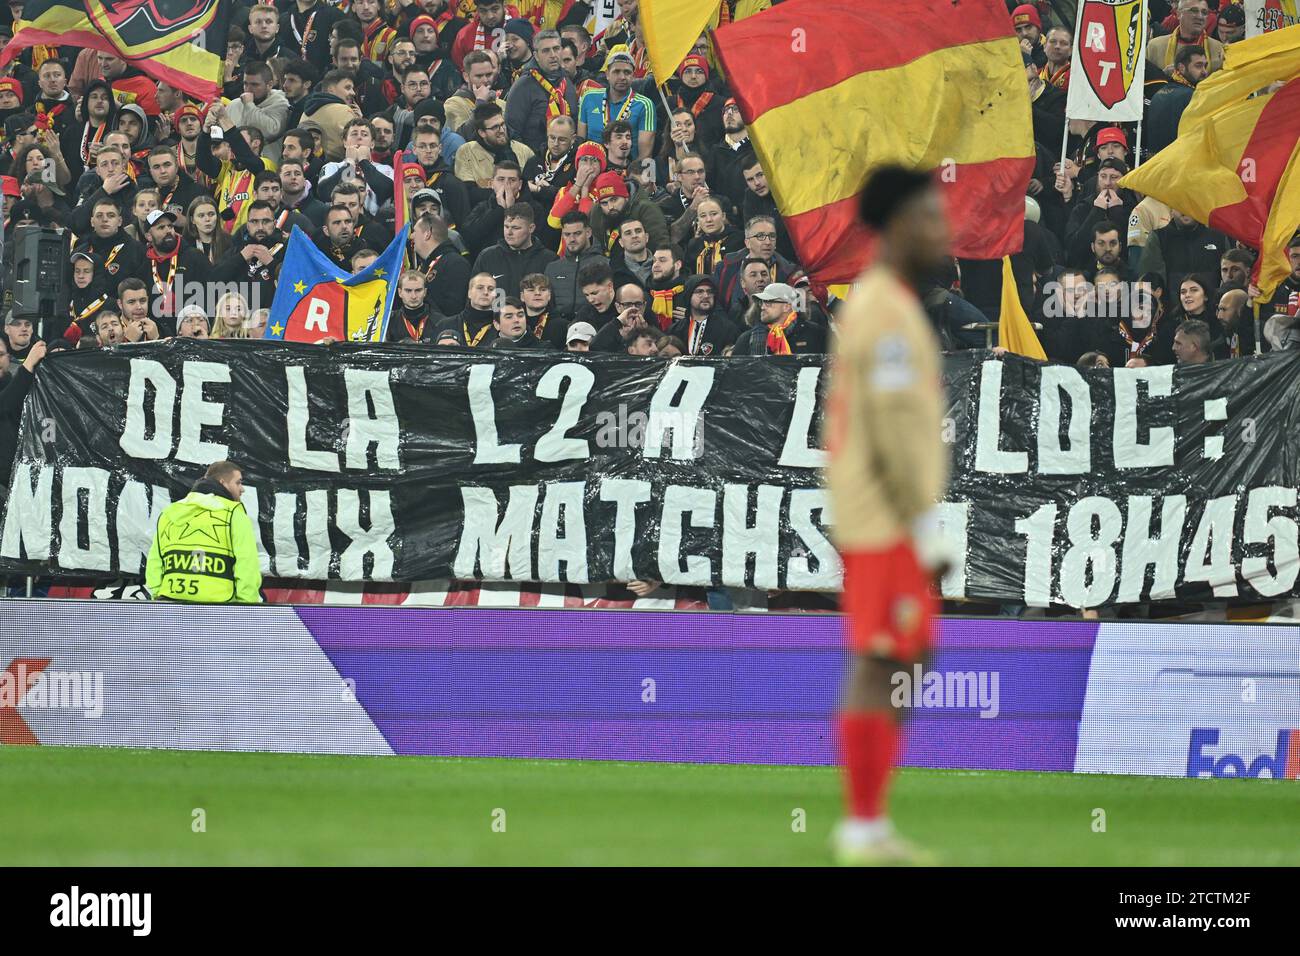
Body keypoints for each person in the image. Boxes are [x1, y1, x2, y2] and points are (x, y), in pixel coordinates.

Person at [823, 165, 955, 866]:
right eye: (932, 218)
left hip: (886, 510)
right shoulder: (883, 309)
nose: (944, 231)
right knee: (881, 658)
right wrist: (923, 520)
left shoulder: (886, 302)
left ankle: (868, 819)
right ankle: (863, 826)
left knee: (907, 653)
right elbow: (894, 426)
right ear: (900, 225)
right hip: (884, 512)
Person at [145, 460, 263, 603]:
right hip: (219, 609)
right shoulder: (233, 514)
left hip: (171, 602)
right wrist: (246, 605)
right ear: (223, 482)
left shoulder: (169, 512)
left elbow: (155, 560)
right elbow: (247, 564)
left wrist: (158, 595)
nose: (242, 489)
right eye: (238, 482)